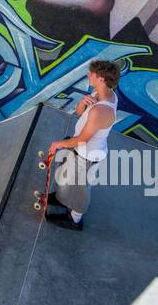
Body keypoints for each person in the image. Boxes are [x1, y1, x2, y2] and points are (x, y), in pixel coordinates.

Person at [44, 59, 121, 232]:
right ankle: (62, 198)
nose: (88, 75)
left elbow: (82, 140)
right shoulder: (103, 93)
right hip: (81, 150)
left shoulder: (101, 110)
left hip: (88, 155)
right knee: (67, 174)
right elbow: (79, 113)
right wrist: (82, 103)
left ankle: (75, 219)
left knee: (79, 189)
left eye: (91, 73)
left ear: (101, 78)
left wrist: (58, 144)